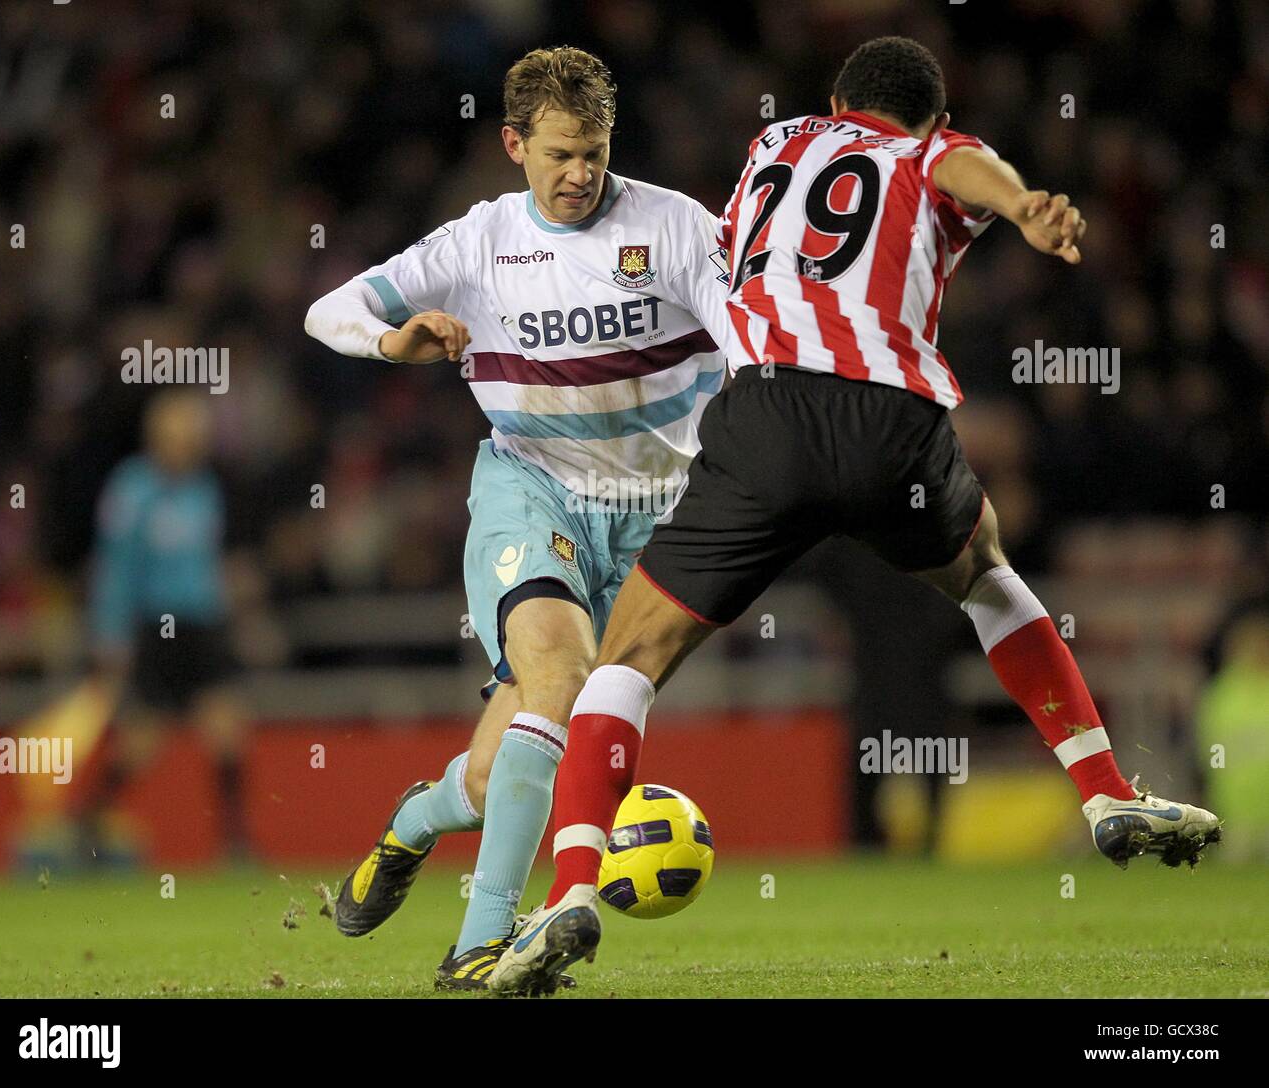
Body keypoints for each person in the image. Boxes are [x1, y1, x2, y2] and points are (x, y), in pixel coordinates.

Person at [490, 35, 1222, 995]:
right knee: (989, 579)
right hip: (892, 422)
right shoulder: (922, 150)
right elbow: (950, 162)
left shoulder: (775, 144)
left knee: (628, 658)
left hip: (768, 419)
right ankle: (1104, 795)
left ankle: (575, 888)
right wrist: (1021, 205)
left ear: (837, 100)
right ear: (928, 115)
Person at [304, 45, 730, 990]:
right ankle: (479, 946)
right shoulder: (478, 243)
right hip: (528, 489)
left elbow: (744, 338)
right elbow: (325, 311)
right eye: (560, 155)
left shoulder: (677, 229)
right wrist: (390, 340)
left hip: (654, 516)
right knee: (556, 677)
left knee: (508, 775)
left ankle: (416, 821)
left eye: (596, 152)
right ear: (513, 144)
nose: (581, 174)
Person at [79, 390, 247, 862]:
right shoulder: (132, 489)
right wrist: (110, 634)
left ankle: (234, 843)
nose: (190, 444)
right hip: (158, 629)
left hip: (204, 627)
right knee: (142, 742)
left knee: (227, 730)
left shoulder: (204, 487)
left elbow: (207, 560)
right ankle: (85, 824)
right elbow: (116, 566)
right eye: (181, 434)